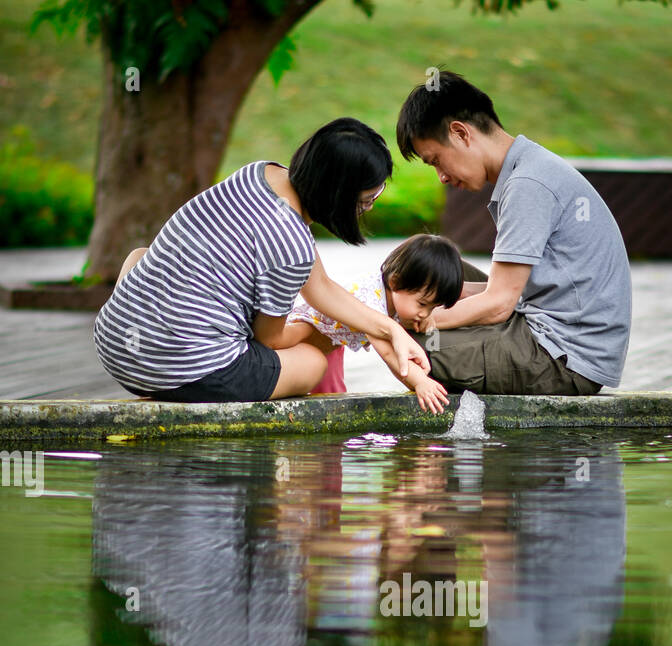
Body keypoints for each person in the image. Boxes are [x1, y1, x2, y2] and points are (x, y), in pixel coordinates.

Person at [93, 119, 430, 402]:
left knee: (141, 256)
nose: (370, 206)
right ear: (338, 196)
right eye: (367, 199)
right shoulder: (291, 244)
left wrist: (389, 330)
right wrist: (316, 329)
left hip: (115, 345)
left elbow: (321, 287)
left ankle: (160, 367)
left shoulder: (260, 174)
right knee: (312, 363)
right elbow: (269, 341)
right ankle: (172, 383)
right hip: (187, 367)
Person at [396, 73, 631, 396]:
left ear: (461, 133)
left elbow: (498, 304)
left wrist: (421, 320)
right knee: (423, 270)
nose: (441, 177)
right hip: (548, 332)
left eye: (436, 161)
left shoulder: (527, 184)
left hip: (564, 358)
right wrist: (430, 301)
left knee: (404, 343)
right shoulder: (529, 168)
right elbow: (506, 293)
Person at [284, 233, 462, 413]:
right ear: (395, 282)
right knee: (286, 343)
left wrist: (427, 315)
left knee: (331, 397)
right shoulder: (373, 303)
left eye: (433, 307)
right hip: (306, 329)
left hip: (332, 343)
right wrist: (421, 382)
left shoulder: (399, 298)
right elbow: (389, 353)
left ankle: (330, 439)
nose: (424, 313)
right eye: (422, 304)